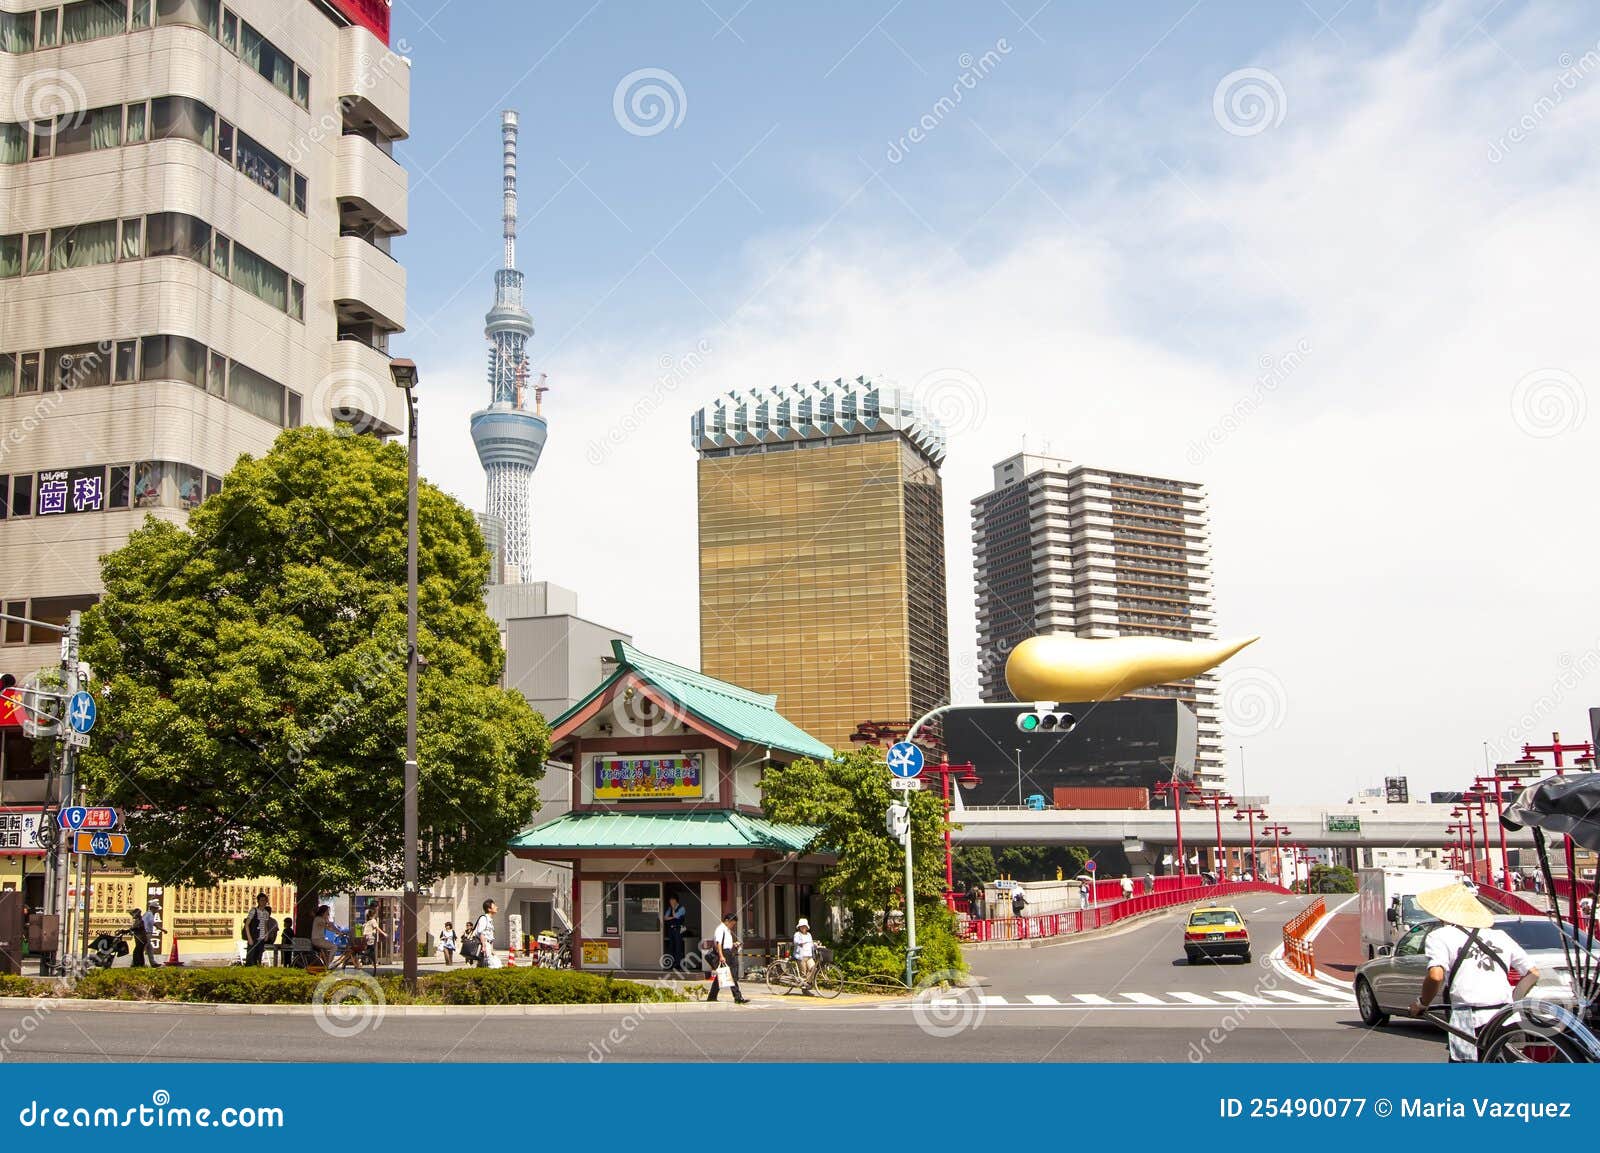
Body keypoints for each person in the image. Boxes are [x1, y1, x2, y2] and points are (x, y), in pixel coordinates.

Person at [1408, 881, 1539, 1062]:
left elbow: (1435, 975)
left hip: (1468, 1021)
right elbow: (1533, 973)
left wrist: (1422, 1003)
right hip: (1506, 1019)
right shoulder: (1499, 936)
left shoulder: (1440, 936)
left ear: (1443, 914)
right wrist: (1514, 999)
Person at [707, 911, 749, 1003]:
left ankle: (712, 997)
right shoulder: (720, 929)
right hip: (724, 954)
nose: (732, 926)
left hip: (728, 952)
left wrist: (734, 944)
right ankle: (738, 997)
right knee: (731, 975)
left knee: (722, 975)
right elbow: (719, 943)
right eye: (732, 923)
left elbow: (726, 943)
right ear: (727, 921)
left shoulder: (726, 930)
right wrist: (721, 956)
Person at [244, 892, 276, 966]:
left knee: (258, 958)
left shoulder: (266, 913)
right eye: (262, 900)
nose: (264, 902)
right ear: (258, 901)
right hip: (253, 937)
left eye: (265, 900)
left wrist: (266, 935)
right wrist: (249, 938)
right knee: (250, 959)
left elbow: (265, 924)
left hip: (261, 939)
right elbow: (247, 925)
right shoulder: (253, 911)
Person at [474, 899, 500, 968]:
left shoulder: (490, 920)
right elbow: (481, 933)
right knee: (493, 965)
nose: (497, 907)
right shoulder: (483, 918)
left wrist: (492, 949)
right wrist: (484, 946)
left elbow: (490, 937)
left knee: (485, 965)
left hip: (488, 946)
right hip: (484, 945)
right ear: (489, 909)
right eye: (494, 906)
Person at [663, 895, 687, 971]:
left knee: (678, 946)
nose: (671, 903)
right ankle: (670, 963)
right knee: (671, 946)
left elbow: (675, 916)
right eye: (670, 901)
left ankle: (678, 964)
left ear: (676, 901)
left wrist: (673, 909)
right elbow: (665, 918)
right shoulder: (669, 909)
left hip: (678, 929)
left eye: (672, 901)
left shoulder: (681, 908)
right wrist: (672, 916)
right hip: (671, 929)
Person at [792, 917, 816, 991]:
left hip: (809, 956)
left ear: (807, 927)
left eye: (804, 926)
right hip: (801, 956)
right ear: (799, 927)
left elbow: (811, 944)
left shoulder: (809, 935)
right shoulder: (797, 934)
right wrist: (802, 942)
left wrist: (816, 945)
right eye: (802, 926)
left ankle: (807, 984)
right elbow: (795, 942)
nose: (803, 928)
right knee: (803, 974)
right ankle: (804, 989)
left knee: (814, 968)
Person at [141, 901, 161, 966]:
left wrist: (161, 929)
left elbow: (153, 923)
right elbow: (147, 922)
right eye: (156, 908)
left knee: (149, 948)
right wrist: (145, 932)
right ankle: (135, 963)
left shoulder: (149, 914)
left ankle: (153, 963)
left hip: (147, 933)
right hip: (146, 933)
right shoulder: (149, 914)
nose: (157, 910)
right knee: (142, 948)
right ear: (152, 908)